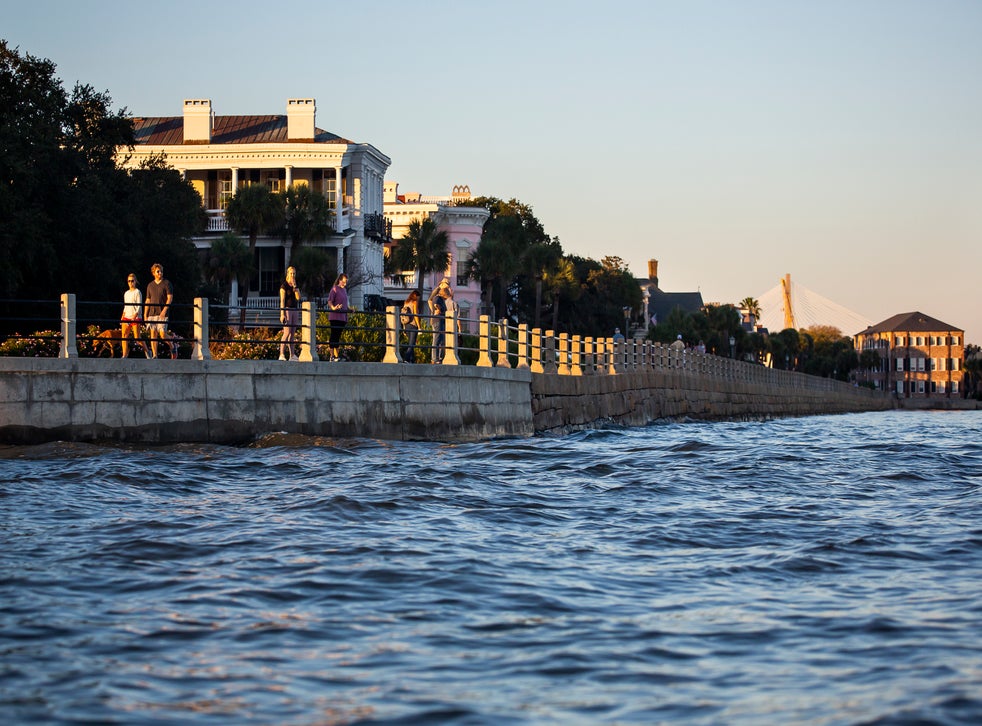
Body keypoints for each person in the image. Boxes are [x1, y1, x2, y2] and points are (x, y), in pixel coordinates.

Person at [145, 263, 173, 359]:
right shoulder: (150, 285)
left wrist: (164, 310)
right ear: (154, 273)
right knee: (153, 334)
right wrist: (145, 314)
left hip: (162, 313)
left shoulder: (167, 283)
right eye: (158, 271)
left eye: (161, 271)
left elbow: (169, 298)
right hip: (152, 313)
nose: (160, 273)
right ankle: (155, 355)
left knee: (162, 334)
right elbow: (148, 300)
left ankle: (172, 345)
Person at [120, 273, 149, 358]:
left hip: (135, 316)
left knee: (137, 337)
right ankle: (124, 354)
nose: (130, 283)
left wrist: (135, 315)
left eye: (132, 281)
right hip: (127, 316)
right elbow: (126, 305)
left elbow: (139, 305)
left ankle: (147, 351)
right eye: (129, 281)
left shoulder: (137, 292)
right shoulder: (126, 293)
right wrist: (123, 315)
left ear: (135, 281)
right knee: (124, 335)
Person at [278, 266, 300, 361]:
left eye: (294, 273)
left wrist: (296, 289)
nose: (292, 275)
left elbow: (298, 298)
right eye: (291, 273)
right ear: (288, 274)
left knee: (292, 333)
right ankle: (282, 354)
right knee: (286, 333)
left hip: (294, 309)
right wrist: (282, 314)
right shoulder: (284, 286)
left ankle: (292, 355)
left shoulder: (295, 285)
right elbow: (282, 301)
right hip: (287, 309)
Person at [326, 273, 349, 362]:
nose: (345, 284)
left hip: (342, 317)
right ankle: (332, 355)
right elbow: (330, 301)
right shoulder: (335, 289)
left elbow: (345, 304)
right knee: (334, 335)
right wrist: (333, 308)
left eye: (346, 282)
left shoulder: (344, 290)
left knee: (338, 336)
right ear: (340, 280)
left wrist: (349, 309)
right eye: (344, 282)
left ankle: (336, 356)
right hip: (335, 317)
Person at [400, 290, 420, 363]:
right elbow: (416, 314)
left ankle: (412, 360)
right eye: (418, 297)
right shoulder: (415, 302)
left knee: (410, 343)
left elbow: (403, 316)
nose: (418, 299)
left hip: (406, 325)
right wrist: (419, 326)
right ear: (416, 296)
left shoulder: (406, 303)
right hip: (413, 325)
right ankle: (406, 359)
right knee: (412, 344)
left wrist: (403, 328)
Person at [430, 284, 448, 363]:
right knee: (436, 339)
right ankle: (434, 358)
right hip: (437, 320)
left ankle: (439, 357)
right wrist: (438, 309)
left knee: (440, 340)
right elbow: (435, 304)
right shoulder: (437, 298)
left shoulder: (441, 299)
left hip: (441, 320)